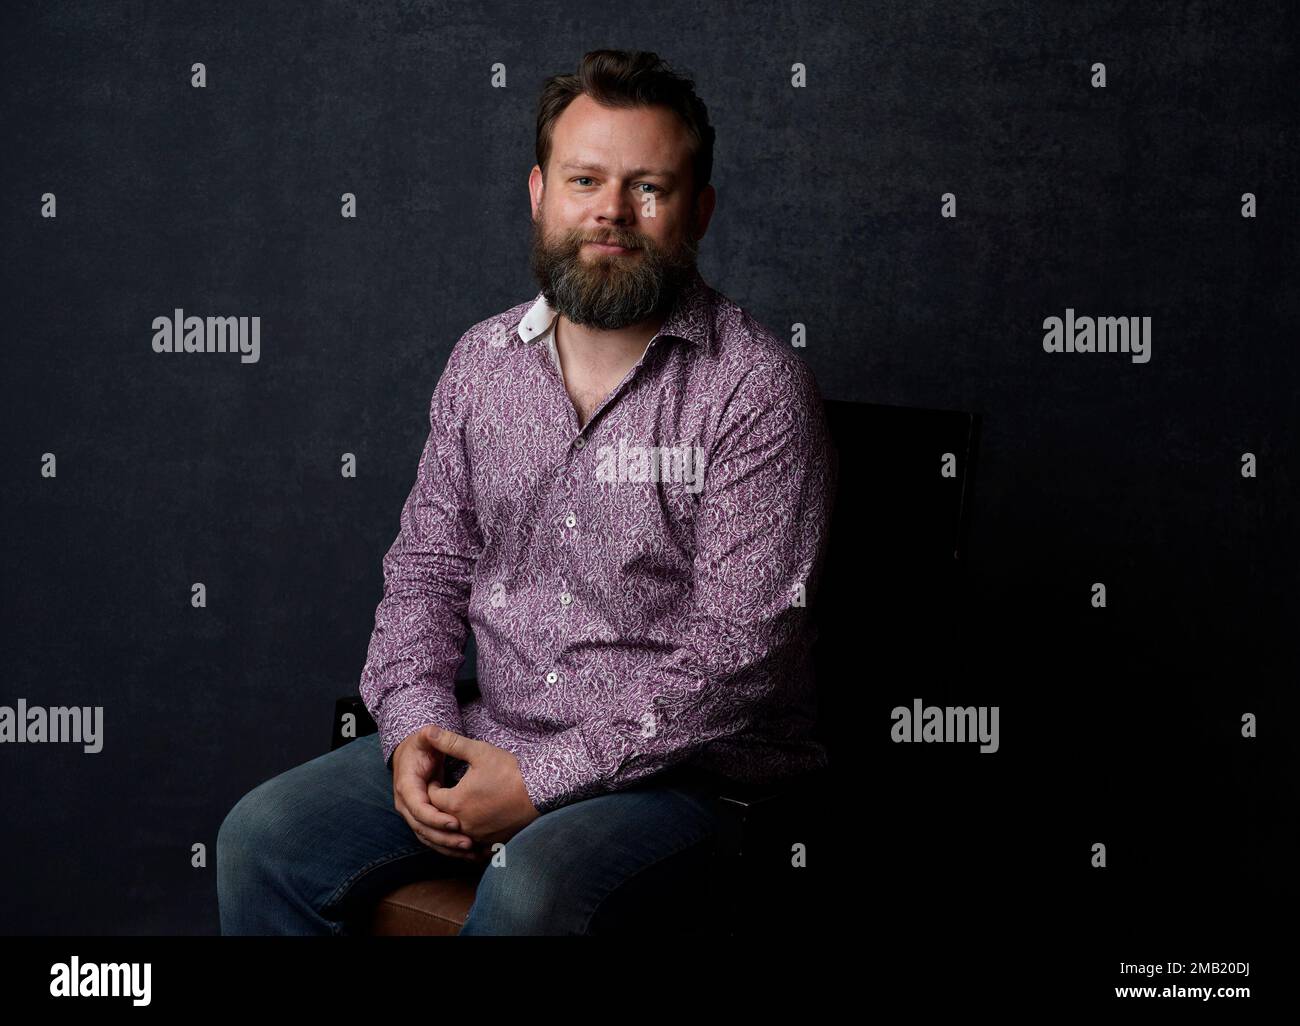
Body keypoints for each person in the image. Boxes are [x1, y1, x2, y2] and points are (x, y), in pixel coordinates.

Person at [217, 47, 836, 936]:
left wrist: (541, 782)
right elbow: (428, 572)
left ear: (698, 212)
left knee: (534, 888)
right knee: (261, 838)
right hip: (492, 729)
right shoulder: (481, 364)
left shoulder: (754, 388)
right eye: (586, 179)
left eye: (648, 188)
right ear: (540, 192)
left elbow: (736, 658)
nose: (612, 212)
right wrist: (414, 733)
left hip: (689, 779)